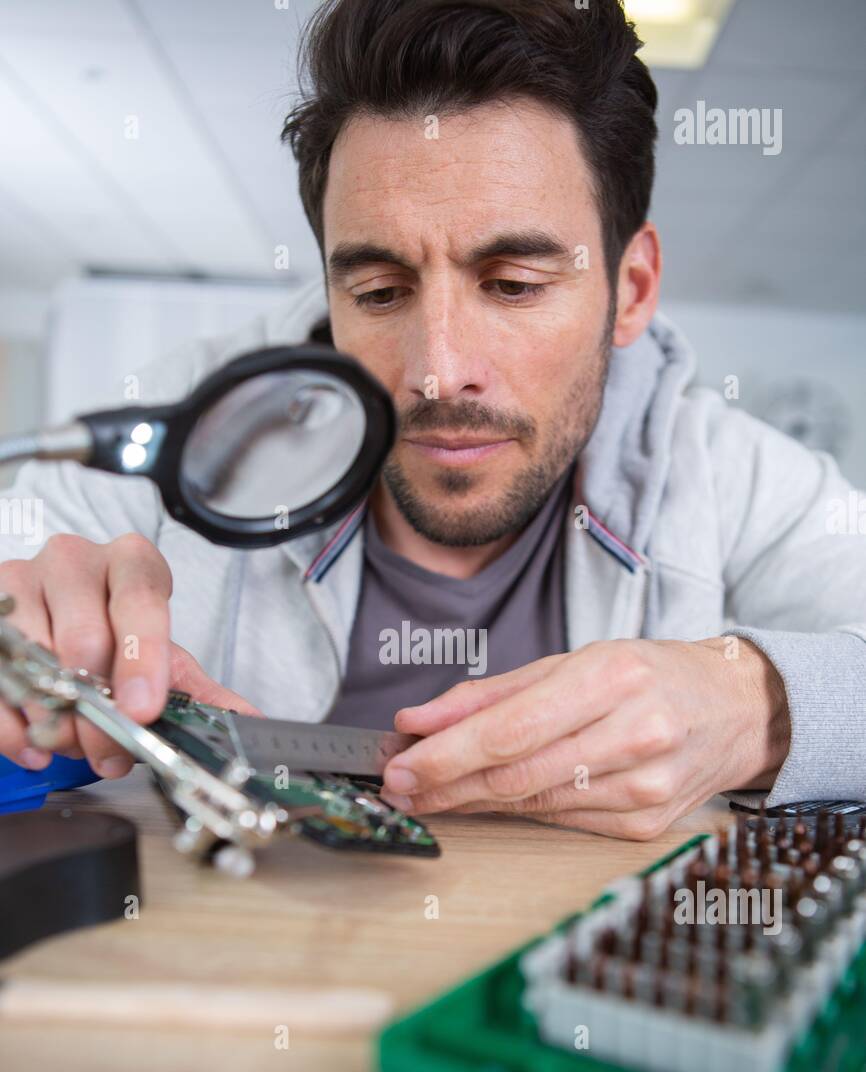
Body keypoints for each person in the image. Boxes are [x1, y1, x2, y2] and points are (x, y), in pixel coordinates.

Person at [1, 0, 864, 841]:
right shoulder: (182, 429)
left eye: (514, 285)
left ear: (631, 289)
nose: (437, 371)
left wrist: (756, 708)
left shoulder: (726, 471)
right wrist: (27, 636)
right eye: (379, 293)